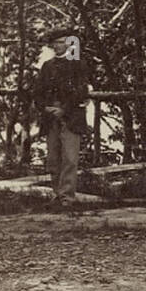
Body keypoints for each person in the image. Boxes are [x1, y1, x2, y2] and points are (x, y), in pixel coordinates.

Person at [32, 28, 91, 208]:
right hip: (51, 118)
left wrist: (63, 110)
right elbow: (37, 92)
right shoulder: (47, 66)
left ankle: (67, 197)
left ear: (69, 43)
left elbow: (82, 91)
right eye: (55, 43)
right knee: (53, 157)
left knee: (70, 157)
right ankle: (57, 195)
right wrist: (46, 108)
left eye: (62, 42)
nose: (58, 46)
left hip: (71, 116)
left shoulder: (78, 64)